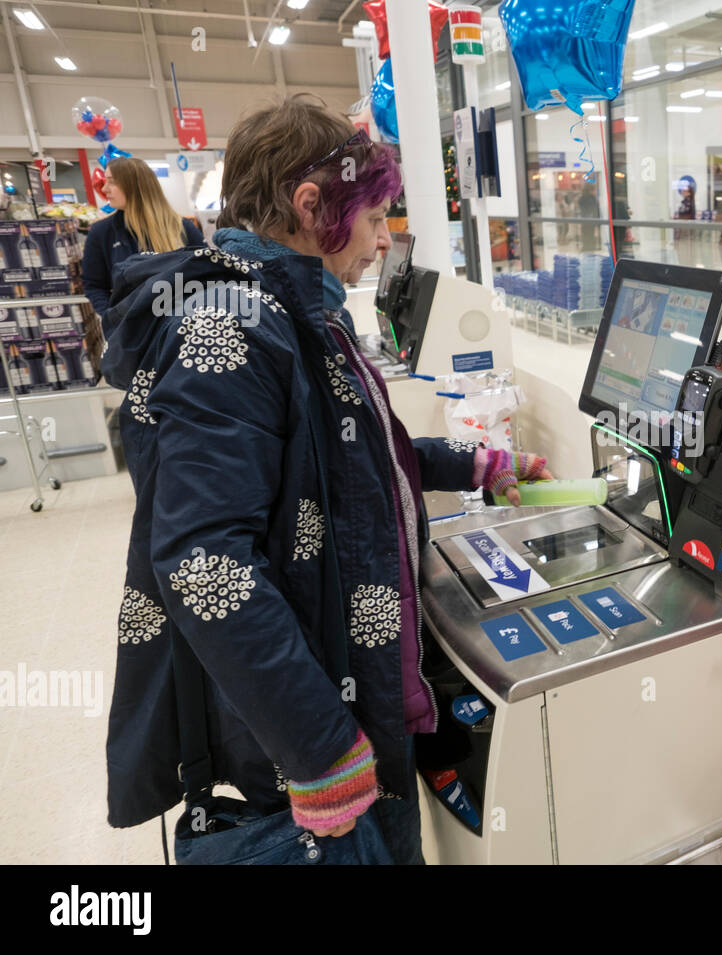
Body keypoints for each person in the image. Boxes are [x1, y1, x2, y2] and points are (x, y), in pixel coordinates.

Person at [100, 94, 553, 864]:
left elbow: (359, 449)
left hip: (348, 702)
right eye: (375, 218)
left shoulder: (298, 309)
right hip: (296, 770)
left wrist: (477, 464)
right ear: (311, 206)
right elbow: (205, 561)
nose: (383, 241)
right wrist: (321, 748)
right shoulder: (231, 327)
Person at [81, 157, 204, 318]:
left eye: (111, 182)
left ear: (133, 185)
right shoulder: (101, 232)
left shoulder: (181, 227)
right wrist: (112, 319)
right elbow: (94, 285)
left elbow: (205, 273)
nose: (104, 189)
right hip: (130, 333)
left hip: (180, 327)